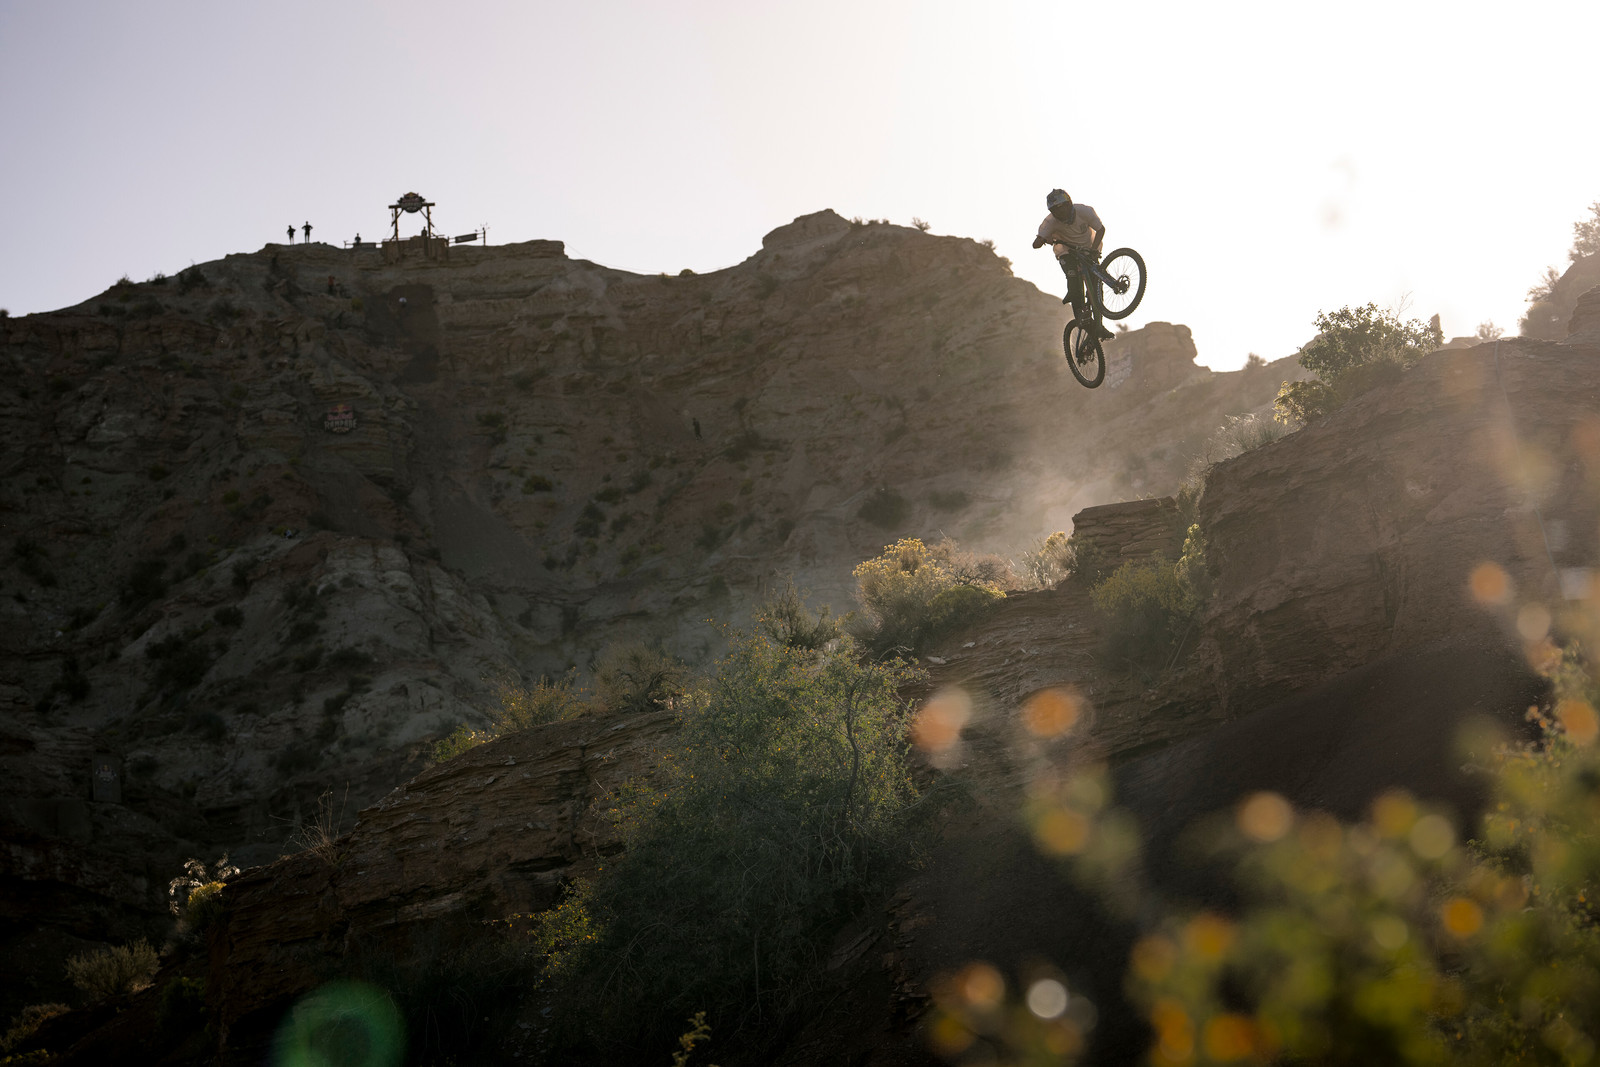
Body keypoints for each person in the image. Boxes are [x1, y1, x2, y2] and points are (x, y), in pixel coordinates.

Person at [1032, 189, 1113, 340]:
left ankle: (1099, 326)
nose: (1060, 213)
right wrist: (1040, 240)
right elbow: (1036, 243)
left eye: (1062, 207)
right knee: (1074, 280)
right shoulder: (1050, 222)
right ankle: (1079, 313)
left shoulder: (1085, 211)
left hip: (1089, 249)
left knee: (1096, 289)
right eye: (1055, 210)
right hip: (1067, 252)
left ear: (1069, 204)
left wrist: (1093, 250)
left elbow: (1101, 230)